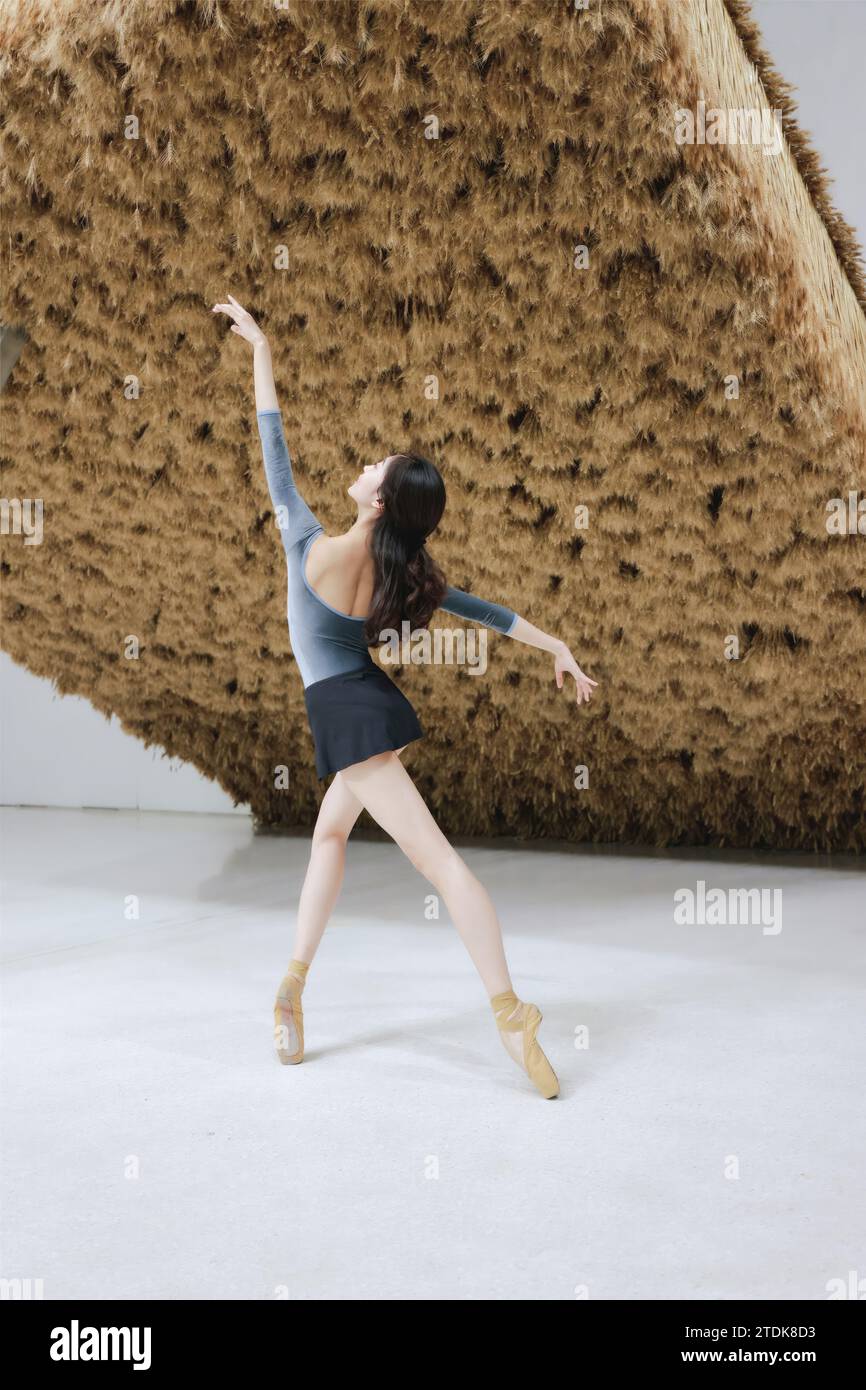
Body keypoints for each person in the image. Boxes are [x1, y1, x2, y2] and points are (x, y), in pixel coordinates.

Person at [212, 293, 598, 1098]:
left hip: (351, 720)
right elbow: (485, 611)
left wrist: (262, 349)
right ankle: (292, 985)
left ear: (379, 501)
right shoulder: (401, 570)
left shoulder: (304, 539)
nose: (364, 464)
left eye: (375, 468)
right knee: (329, 842)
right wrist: (554, 644)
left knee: (443, 868)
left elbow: (270, 442)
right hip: (360, 707)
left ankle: (509, 1012)